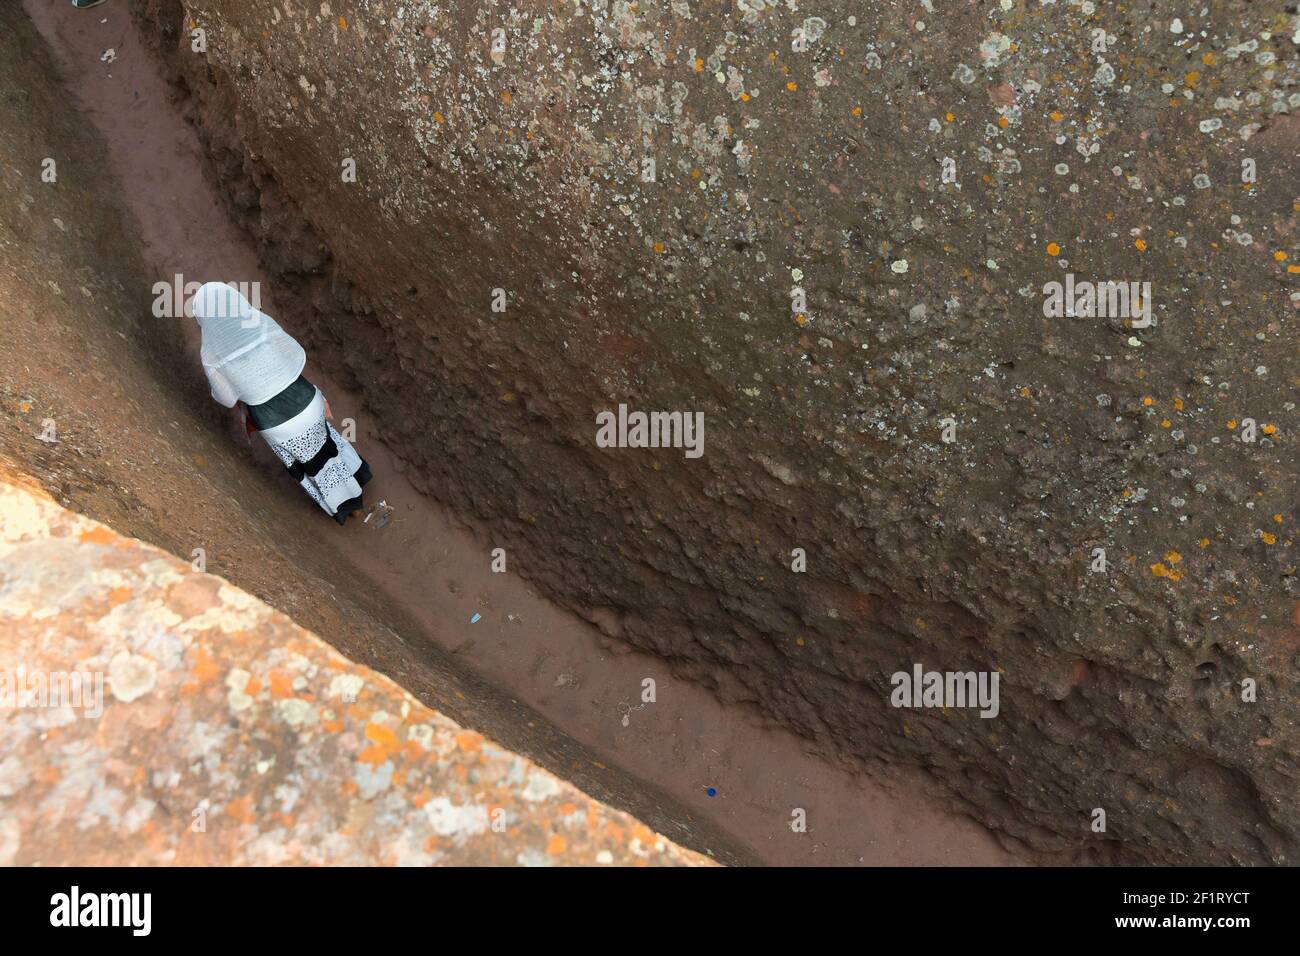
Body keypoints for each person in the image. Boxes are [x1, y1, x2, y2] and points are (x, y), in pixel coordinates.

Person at [188, 282, 371, 525]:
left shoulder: (210, 354)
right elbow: (293, 354)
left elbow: (226, 398)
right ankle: (358, 474)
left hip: (276, 423)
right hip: (307, 400)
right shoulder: (260, 323)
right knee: (326, 441)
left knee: (313, 464)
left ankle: (350, 505)